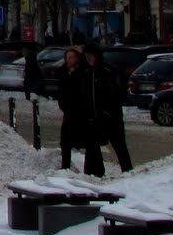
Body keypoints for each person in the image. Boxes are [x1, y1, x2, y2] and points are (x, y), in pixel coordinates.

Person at [85, 43, 131, 174]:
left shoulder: (107, 72)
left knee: (120, 146)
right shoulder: (89, 73)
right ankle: (94, 173)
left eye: (91, 56)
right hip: (95, 117)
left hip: (111, 117)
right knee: (92, 147)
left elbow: (116, 94)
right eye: (86, 56)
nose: (89, 59)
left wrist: (108, 112)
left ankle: (128, 171)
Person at [56, 46, 100, 175]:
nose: (69, 60)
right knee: (65, 142)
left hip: (81, 113)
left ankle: (90, 171)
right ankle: (65, 168)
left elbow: (85, 92)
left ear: (77, 58)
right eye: (67, 57)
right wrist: (63, 104)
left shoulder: (84, 73)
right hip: (69, 113)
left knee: (88, 143)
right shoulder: (64, 72)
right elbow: (61, 91)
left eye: (71, 57)